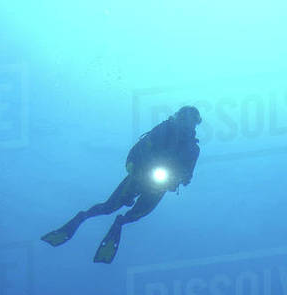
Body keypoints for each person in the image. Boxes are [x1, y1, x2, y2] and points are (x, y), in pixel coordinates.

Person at [42, 106, 202, 263]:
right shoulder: (164, 129)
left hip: (159, 187)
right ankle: (82, 217)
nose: (187, 123)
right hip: (139, 176)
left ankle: (119, 223)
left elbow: (188, 173)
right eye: (185, 118)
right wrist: (132, 164)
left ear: (195, 124)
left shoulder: (193, 149)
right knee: (108, 207)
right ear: (179, 116)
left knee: (135, 216)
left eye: (191, 121)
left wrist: (181, 179)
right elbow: (140, 147)